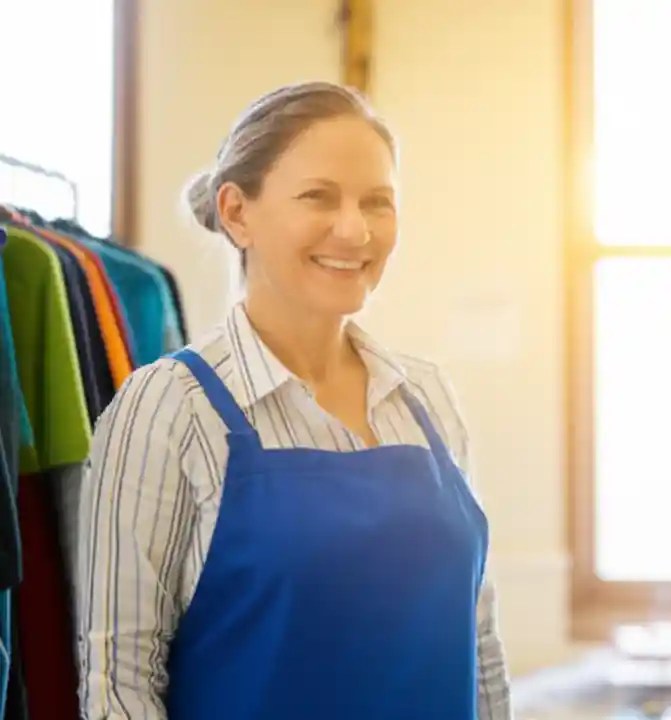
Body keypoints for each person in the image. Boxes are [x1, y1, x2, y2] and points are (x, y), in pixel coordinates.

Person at [74, 82, 510, 719]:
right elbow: (119, 683)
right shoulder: (169, 409)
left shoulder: (426, 398)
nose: (354, 229)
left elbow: (480, 648)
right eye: (318, 197)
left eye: (377, 202)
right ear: (237, 212)